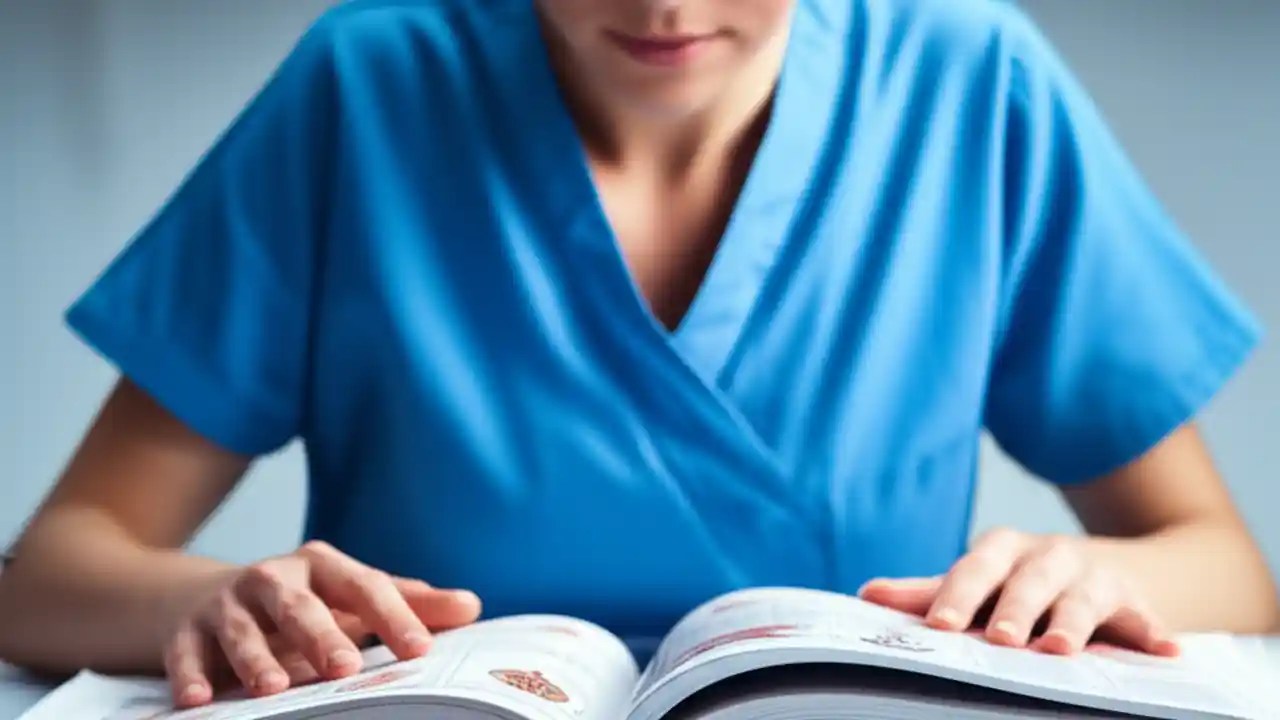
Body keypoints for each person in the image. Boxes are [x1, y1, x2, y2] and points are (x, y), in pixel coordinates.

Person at [0, 0, 1276, 709]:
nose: (666, 4)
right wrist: (201, 605)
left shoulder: (973, 82)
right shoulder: (366, 85)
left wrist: (1085, 574)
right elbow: (44, 575)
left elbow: (1227, 570)